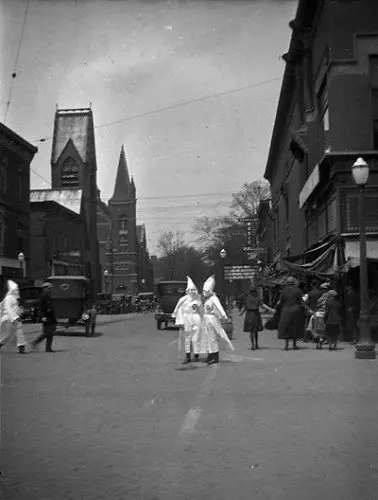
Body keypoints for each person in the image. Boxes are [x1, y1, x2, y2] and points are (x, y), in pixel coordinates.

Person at [172, 276, 206, 364]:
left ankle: (196, 355)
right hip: (186, 320)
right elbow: (179, 311)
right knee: (187, 339)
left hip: (196, 319)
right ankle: (187, 356)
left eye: (193, 290)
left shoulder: (198, 301)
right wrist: (180, 322)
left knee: (196, 338)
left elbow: (201, 312)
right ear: (187, 290)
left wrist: (204, 321)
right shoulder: (183, 300)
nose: (192, 292)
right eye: (190, 290)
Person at [202, 275, 235, 364]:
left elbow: (219, 308)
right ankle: (210, 356)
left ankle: (215, 357)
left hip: (212, 320)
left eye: (206, 290)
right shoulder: (207, 299)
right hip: (206, 320)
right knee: (208, 338)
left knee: (213, 338)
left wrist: (225, 317)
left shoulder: (213, 298)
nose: (204, 292)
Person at [277, 276, 309, 351]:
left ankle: (287, 345)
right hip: (296, 311)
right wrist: (308, 309)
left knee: (286, 327)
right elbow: (301, 302)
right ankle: (294, 345)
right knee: (295, 327)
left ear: (287, 283)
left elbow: (279, 302)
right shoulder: (298, 290)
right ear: (294, 282)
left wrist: (275, 309)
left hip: (286, 311)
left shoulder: (284, 290)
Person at [0, 280, 28, 354]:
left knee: (19, 333)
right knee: (7, 334)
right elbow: (8, 309)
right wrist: (15, 317)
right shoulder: (8, 298)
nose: (17, 291)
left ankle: (21, 348)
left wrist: (20, 313)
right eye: (15, 290)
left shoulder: (14, 298)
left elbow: (15, 309)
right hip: (9, 319)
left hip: (14, 319)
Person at [31, 282, 57, 352]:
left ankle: (47, 348)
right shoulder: (43, 296)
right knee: (48, 333)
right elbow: (41, 308)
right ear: (45, 288)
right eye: (49, 288)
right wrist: (42, 317)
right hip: (46, 317)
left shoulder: (48, 296)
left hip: (50, 317)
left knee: (49, 333)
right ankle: (36, 343)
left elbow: (50, 308)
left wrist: (54, 319)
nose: (50, 290)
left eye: (51, 288)